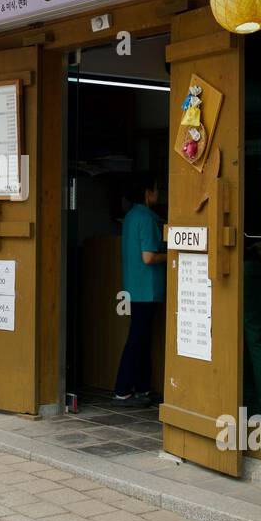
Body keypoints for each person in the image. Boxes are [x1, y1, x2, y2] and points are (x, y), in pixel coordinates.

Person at [113, 173, 165, 407]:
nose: (158, 193)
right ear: (147, 192)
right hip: (148, 288)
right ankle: (122, 390)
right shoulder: (146, 218)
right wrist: (172, 254)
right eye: (155, 189)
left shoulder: (131, 216)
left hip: (134, 287)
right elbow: (149, 257)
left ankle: (143, 388)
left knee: (141, 339)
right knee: (137, 339)